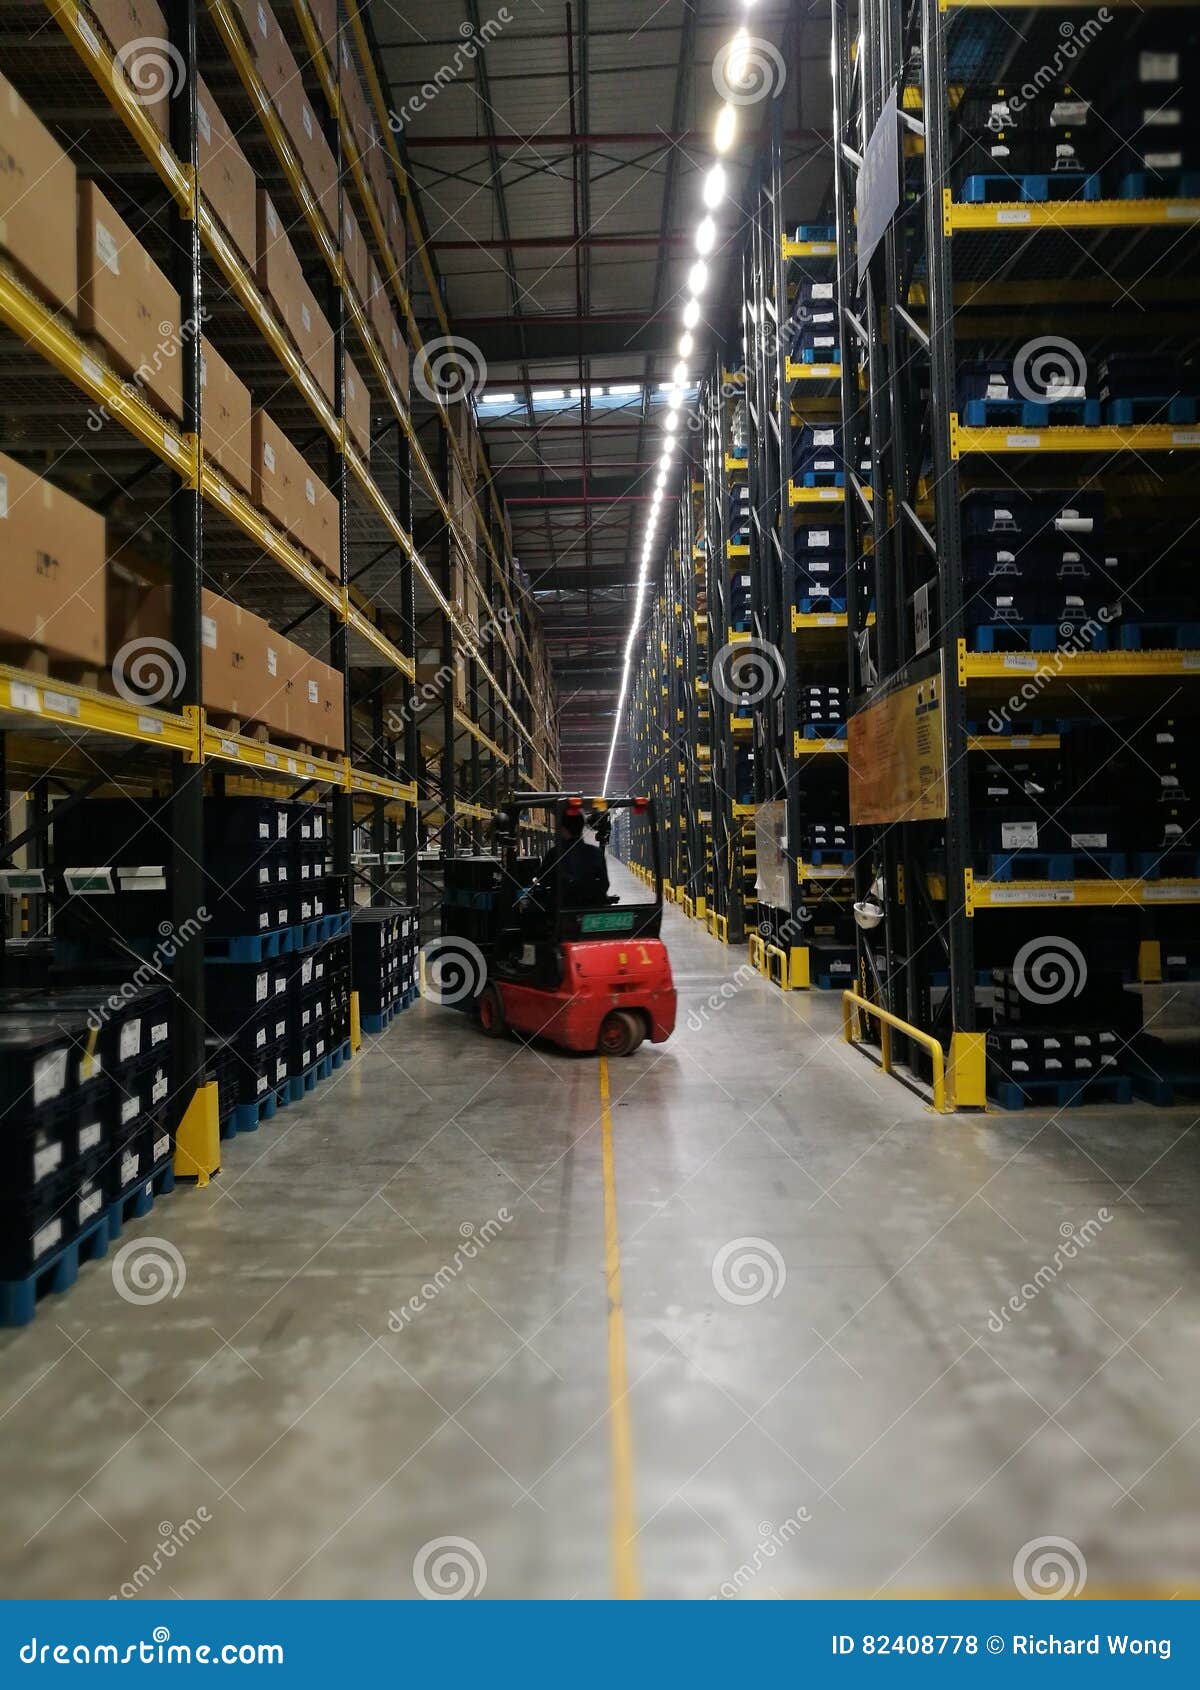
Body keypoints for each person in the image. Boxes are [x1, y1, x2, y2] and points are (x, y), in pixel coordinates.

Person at [533, 808, 610, 912]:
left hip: (562, 911)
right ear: (582, 827)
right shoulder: (596, 852)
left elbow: (542, 879)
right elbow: (605, 884)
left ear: (563, 828)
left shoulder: (555, 853)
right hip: (592, 909)